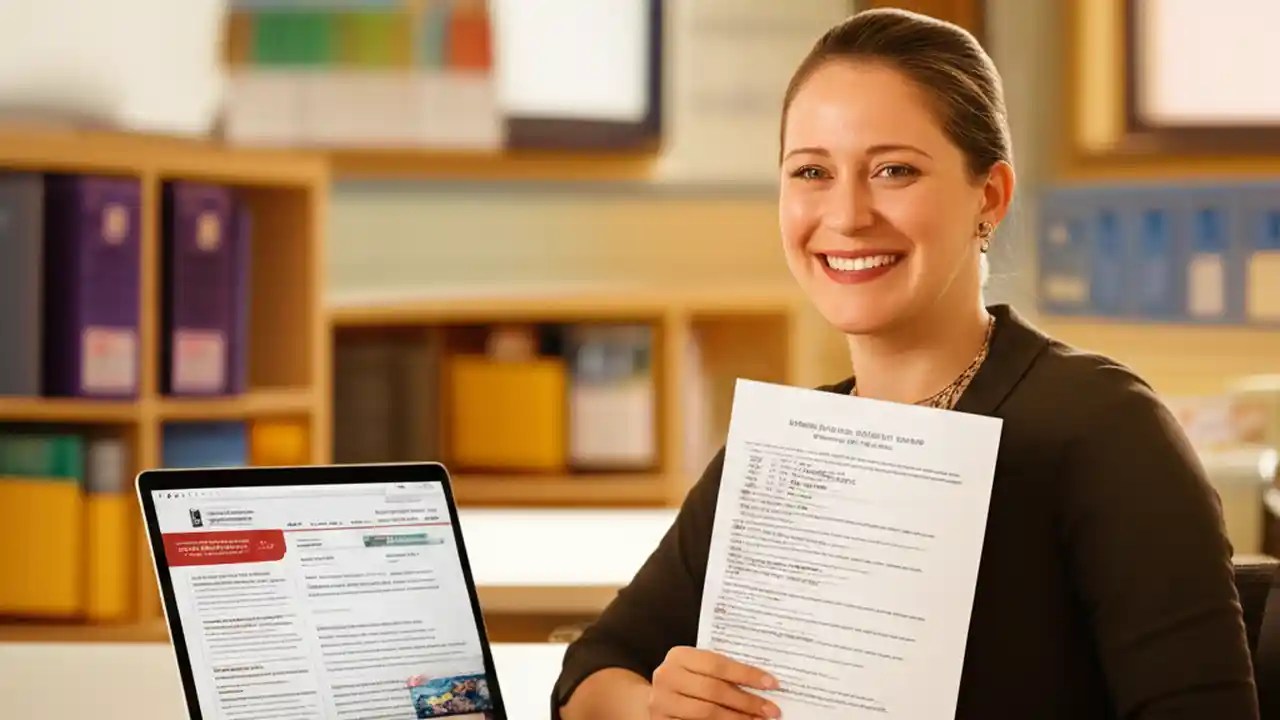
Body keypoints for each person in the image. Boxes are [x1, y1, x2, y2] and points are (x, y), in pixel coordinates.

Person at [551, 8, 1258, 720]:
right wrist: (654, 708)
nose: (848, 213)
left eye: (894, 170)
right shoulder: (786, 451)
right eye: (812, 171)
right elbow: (588, 676)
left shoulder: (1105, 430)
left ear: (990, 196)